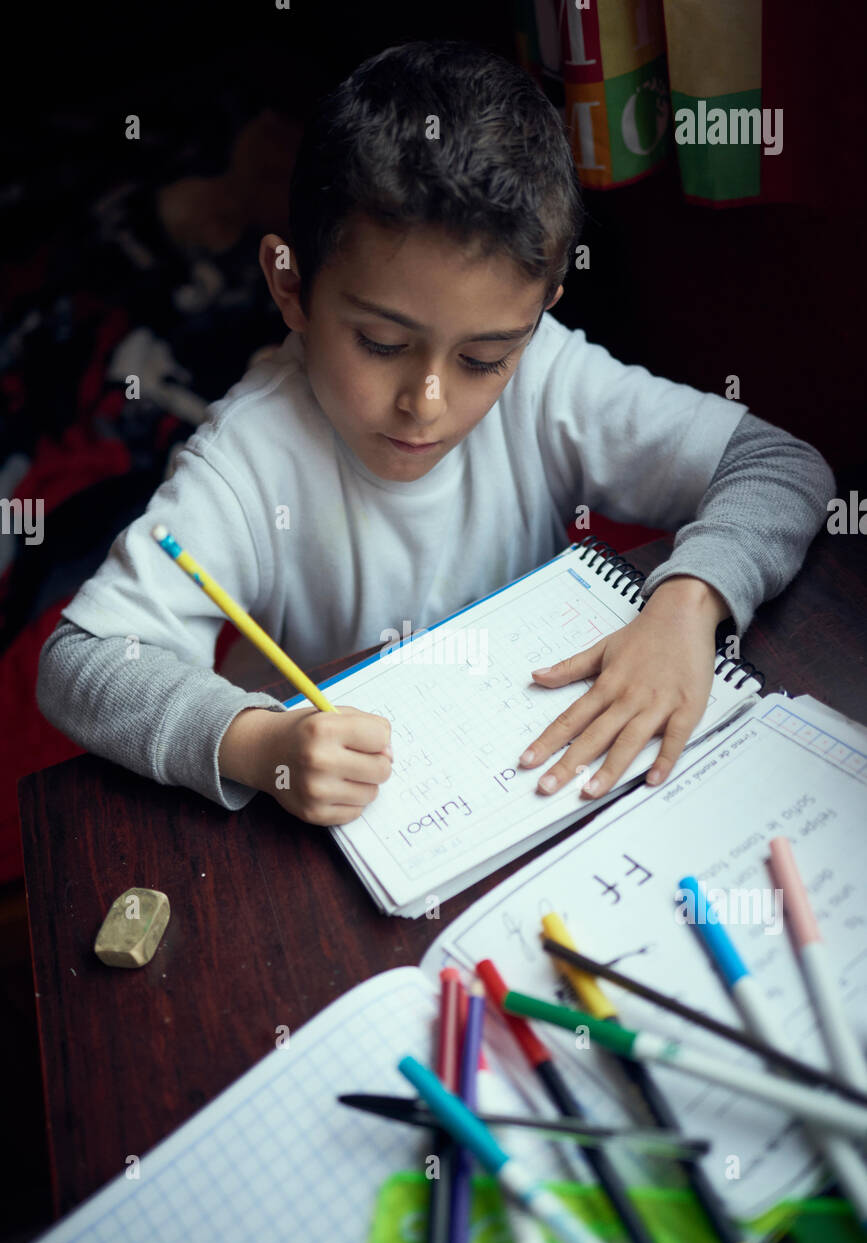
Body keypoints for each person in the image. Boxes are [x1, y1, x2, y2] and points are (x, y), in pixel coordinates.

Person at [37, 40, 834, 827]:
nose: (426, 401)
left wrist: (687, 605)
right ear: (289, 284)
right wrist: (257, 742)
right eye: (382, 345)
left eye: (483, 358)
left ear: (543, 306)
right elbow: (82, 662)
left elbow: (776, 464)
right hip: (357, 813)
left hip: (522, 773)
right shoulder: (249, 460)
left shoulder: (545, 372)